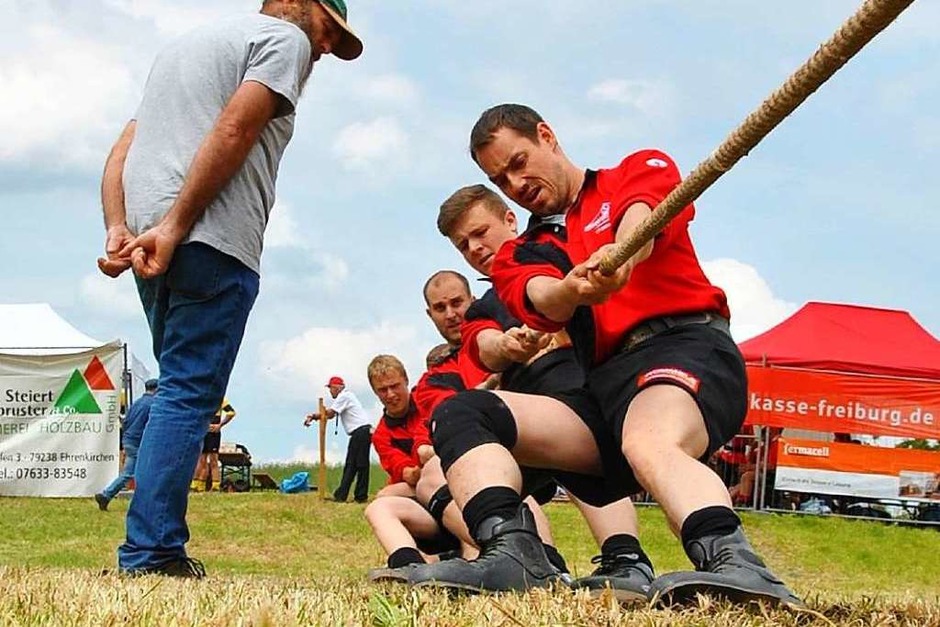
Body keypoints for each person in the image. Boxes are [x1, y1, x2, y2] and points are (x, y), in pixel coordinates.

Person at [413, 104, 799, 607]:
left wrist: (622, 253)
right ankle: (515, 553)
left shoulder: (634, 170)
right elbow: (539, 297)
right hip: (603, 390)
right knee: (463, 412)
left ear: (548, 136)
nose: (515, 182)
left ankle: (737, 562)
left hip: (684, 347)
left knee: (648, 438)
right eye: (500, 178)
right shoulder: (521, 250)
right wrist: (571, 291)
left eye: (518, 161)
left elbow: (645, 215)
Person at [95, 0, 363, 577]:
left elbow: (124, 146)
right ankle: (152, 552)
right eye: (329, 33)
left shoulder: (182, 49)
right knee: (189, 394)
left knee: (174, 391)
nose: (322, 50)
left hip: (150, 241)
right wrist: (176, 225)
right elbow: (236, 126)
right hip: (210, 241)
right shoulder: (283, 40)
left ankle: (149, 546)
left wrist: (120, 227)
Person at [407, 185, 651, 599]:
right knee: (435, 474)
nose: (475, 247)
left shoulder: (559, 253)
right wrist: (508, 347)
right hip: (518, 426)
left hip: (584, 398)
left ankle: (625, 558)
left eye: (480, 232)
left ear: (509, 219)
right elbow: (486, 349)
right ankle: (521, 554)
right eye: (463, 245)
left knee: (571, 429)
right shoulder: (485, 308)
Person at [368, 355, 430, 498]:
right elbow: (403, 469)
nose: (390, 394)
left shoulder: (428, 400)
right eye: (383, 390)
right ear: (375, 392)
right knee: (384, 497)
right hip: (418, 483)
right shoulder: (380, 436)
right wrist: (413, 473)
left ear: (406, 380)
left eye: (395, 386)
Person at [306, 376, 372, 503]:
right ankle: (347, 495)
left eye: (331, 388)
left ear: (337, 387)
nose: (330, 391)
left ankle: (357, 496)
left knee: (358, 465)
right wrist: (317, 416)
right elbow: (330, 414)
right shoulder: (347, 396)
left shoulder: (344, 396)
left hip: (360, 431)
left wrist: (315, 416)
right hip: (361, 432)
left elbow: (330, 414)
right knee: (354, 465)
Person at [95, 379, 158, 511]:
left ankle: (109, 496)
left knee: (136, 472)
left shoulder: (136, 403)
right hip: (139, 441)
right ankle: (107, 495)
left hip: (129, 440)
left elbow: (125, 421)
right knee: (133, 472)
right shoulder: (153, 404)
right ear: (157, 389)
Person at [192, 398, 236, 492]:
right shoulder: (201, 396)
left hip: (213, 432)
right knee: (201, 459)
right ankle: (198, 486)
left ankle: (215, 486)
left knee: (213, 460)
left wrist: (220, 425)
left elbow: (231, 412)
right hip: (203, 431)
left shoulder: (220, 398)